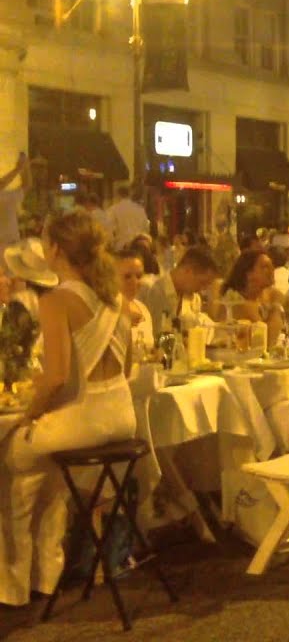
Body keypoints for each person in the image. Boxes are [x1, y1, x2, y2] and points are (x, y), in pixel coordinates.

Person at [1, 211, 136, 607]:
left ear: (55, 248)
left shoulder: (57, 299)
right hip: (121, 417)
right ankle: (46, 574)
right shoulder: (115, 299)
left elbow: (56, 377)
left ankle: (13, 585)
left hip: (86, 420)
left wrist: (30, 414)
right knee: (49, 473)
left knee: (12, 457)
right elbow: (126, 368)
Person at [138, 246, 219, 338]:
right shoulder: (149, 289)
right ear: (188, 271)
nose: (203, 289)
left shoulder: (194, 300)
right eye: (202, 282)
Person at [216, 250, 285, 341]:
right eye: (265, 267)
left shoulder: (263, 297)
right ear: (248, 274)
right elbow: (267, 340)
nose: (272, 270)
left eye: (272, 266)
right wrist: (276, 306)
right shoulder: (238, 303)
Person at [115, 248, 155, 351]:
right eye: (127, 276)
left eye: (138, 276)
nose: (134, 282)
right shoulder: (107, 312)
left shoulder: (143, 309)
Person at [105, 185, 150, 252]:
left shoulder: (113, 210)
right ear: (129, 195)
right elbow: (146, 228)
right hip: (139, 247)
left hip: (121, 247)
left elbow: (109, 230)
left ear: (117, 195)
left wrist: (111, 244)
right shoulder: (140, 209)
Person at [0, 152, 31, 248]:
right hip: (10, 246)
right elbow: (27, 185)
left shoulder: (5, 197)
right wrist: (22, 167)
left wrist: (20, 168)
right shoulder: (5, 198)